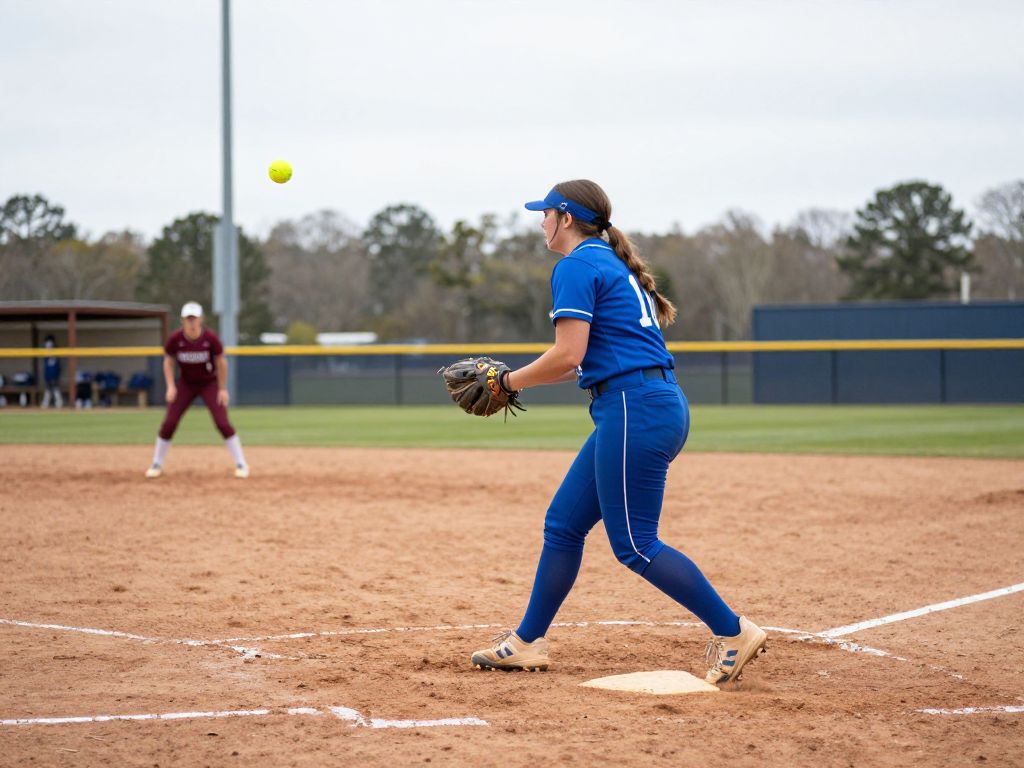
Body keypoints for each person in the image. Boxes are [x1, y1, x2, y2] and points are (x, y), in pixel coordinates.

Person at [470, 180, 767, 684]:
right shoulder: (606, 261)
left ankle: (734, 632)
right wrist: (514, 382)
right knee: (564, 524)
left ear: (565, 218)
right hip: (642, 405)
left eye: (545, 213)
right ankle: (527, 641)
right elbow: (580, 361)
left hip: (635, 408)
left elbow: (568, 355)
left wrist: (506, 382)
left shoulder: (576, 266)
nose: (540, 220)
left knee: (635, 543)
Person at [145, 301, 250, 479]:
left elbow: (222, 363)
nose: (191, 322)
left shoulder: (210, 338)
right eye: (188, 319)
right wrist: (170, 386)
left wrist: (222, 389)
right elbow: (168, 361)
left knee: (222, 423)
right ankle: (156, 463)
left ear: (201, 319)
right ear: (183, 321)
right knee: (169, 423)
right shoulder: (175, 339)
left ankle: (241, 463)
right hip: (185, 384)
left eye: (194, 318)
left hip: (209, 383)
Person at [40, 335, 63, 408]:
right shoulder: (45, 350)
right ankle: (46, 403)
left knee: (55, 387)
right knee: (48, 388)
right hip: (48, 372)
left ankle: (58, 403)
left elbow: (58, 363)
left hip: (54, 371)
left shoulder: (55, 349)